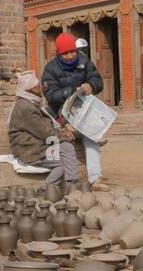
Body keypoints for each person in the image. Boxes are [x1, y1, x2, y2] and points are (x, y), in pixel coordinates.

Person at [41, 33, 109, 190]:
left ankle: (95, 179)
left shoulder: (84, 61)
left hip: (83, 108)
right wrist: (70, 91)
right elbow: (50, 93)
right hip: (61, 109)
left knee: (90, 138)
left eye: (72, 52)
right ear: (59, 53)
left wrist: (91, 86)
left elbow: (97, 80)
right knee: (90, 133)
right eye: (65, 53)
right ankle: (89, 131)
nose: (70, 56)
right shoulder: (51, 69)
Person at [7, 71, 81, 195]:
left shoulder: (30, 103)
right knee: (64, 159)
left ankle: (71, 184)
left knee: (66, 148)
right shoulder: (25, 107)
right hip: (28, 149)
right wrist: (63, 135)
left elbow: (45, 128)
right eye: (37, 86)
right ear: (30, 89)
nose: (40, 88)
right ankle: (46, 189)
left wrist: (63, 133)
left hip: (37, 143)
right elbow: (44, 132)